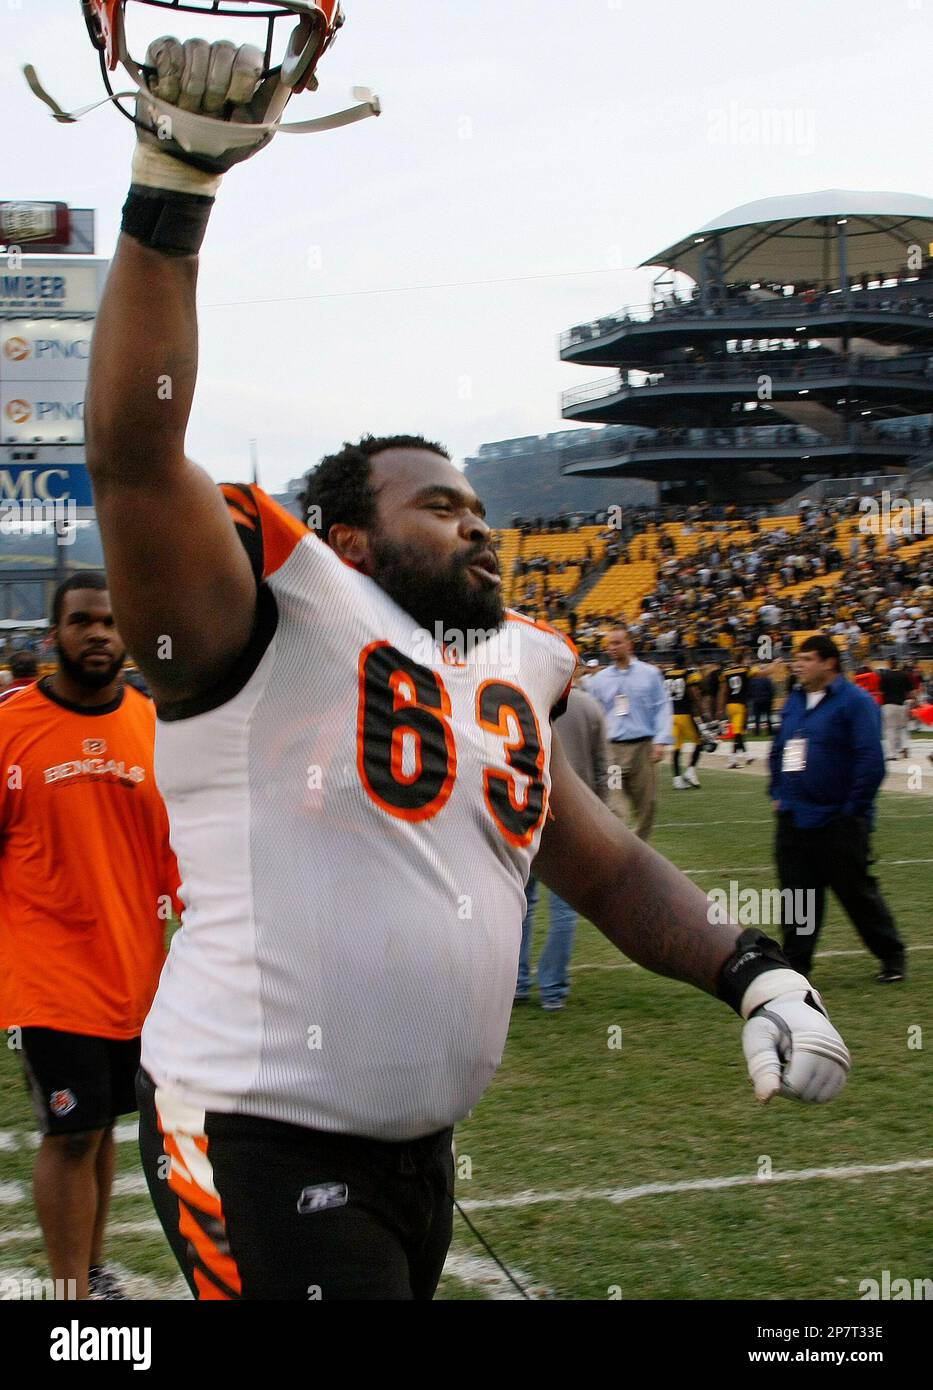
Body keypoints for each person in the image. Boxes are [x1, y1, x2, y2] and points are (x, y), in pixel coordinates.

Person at [84, 36, 850, 1302]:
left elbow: (600, 860)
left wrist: (751, 968)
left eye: (482, 501)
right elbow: (130, 451)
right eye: (441, 503)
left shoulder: (504, 668)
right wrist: (173, 195)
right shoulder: (272, 622)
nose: (481, 521)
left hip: (417, 1156)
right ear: (346, 538)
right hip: (253, 1135)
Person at [0, 573, 181, 1300]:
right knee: (71, 1133)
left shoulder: (150, 722)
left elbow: (172, 852)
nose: (98, 634)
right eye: (81, 622)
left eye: (109, 622)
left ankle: (94, 1269)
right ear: (54, 637)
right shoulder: (12, 728)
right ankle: (71, 1297)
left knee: (104, 1129)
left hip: (135, 973)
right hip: (49, 975)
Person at [769, 635, 906, 984]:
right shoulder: (795, 700)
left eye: (807, 658)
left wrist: (853, 810)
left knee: (856, 892)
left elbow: (869, 760)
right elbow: (780, 748)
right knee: (797, 894)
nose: (798, 664)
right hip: (794, 816)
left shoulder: (854, 702)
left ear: (829, 663)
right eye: (797, 659)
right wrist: (777, 790)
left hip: (837, 820)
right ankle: (796, 965)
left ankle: (891, 955)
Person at [516, 664, 607, 1009]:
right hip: (575, 822)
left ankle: (519, 983)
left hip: (531, 816)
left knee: (523, 905)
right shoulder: (590, 707)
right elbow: (601, 768)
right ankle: (552, 989)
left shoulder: (527, 704)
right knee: (564, 910)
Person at [586, 627, 672, 839]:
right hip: (612, 751)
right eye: (609, 644)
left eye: (617, 643)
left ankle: (640, 849)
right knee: (614, 804)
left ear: (629, 645)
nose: (612, 648)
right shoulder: (600, 680)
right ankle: (618, 850)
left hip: (642, 749)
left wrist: (660, 741)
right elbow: (595, 713)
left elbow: (662, 706)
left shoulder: (650, 674)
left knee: (647, 804)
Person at [663, 657, 705, 789]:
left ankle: (677, 780)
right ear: (685, 663)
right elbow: (694, 693)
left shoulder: (666, 674)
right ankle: (690, 771)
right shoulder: (688, 674)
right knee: (701, 741)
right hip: (684, 714)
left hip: (671, 715)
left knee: (676, 748)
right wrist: (701, 711)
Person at [719, 651, 754, 768]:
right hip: (740, 705)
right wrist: (774, 665)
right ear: (742, 659)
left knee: (737, 733)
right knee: (738, 733)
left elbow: (723, 691)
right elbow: (761, 673)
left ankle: (740, 757)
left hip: (730, 705)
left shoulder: (726, 672)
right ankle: (739, 757)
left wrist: (720, 708)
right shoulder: (745, 670)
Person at [878, 658, 912, 761]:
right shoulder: (903, 675)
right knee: (901, 728)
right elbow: (909, 691)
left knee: (890, 730)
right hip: (901, 704)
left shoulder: (885, 676)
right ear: (897, 664)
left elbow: (881, 691)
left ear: (889, 664)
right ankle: (902, 748)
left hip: (888, 705)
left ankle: (892, 754)